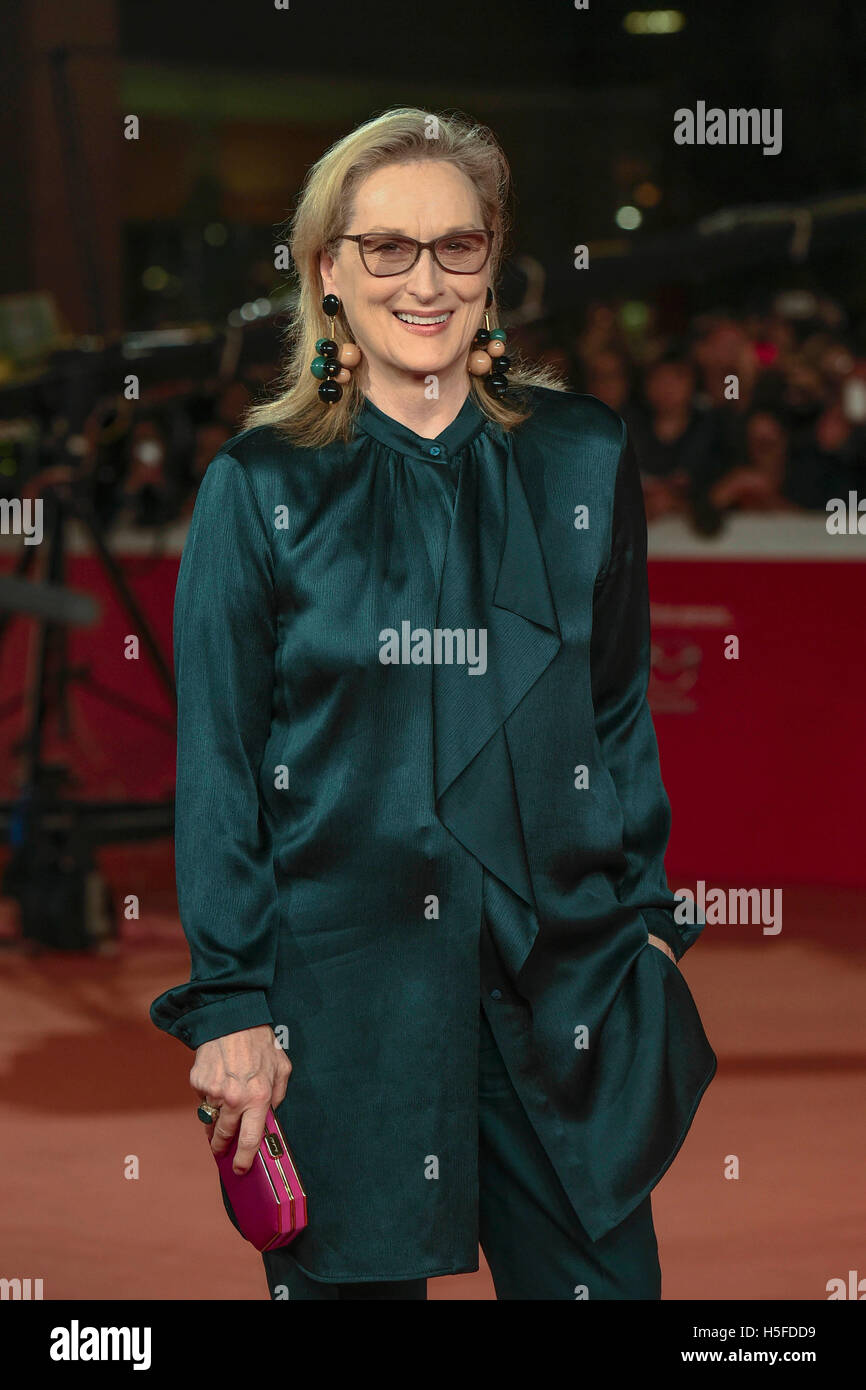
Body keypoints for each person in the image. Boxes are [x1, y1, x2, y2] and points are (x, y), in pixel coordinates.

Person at [150, 107, 716, 1301]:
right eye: (386, 248)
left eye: (455, 247)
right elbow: (222, 765)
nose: (425, 280)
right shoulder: (258, 489)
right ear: (328, 273)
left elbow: (613, 710)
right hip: (341, 996)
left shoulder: (578, 456)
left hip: (558, 984)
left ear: (491, 263)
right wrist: (232, 1003)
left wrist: (648, 929)